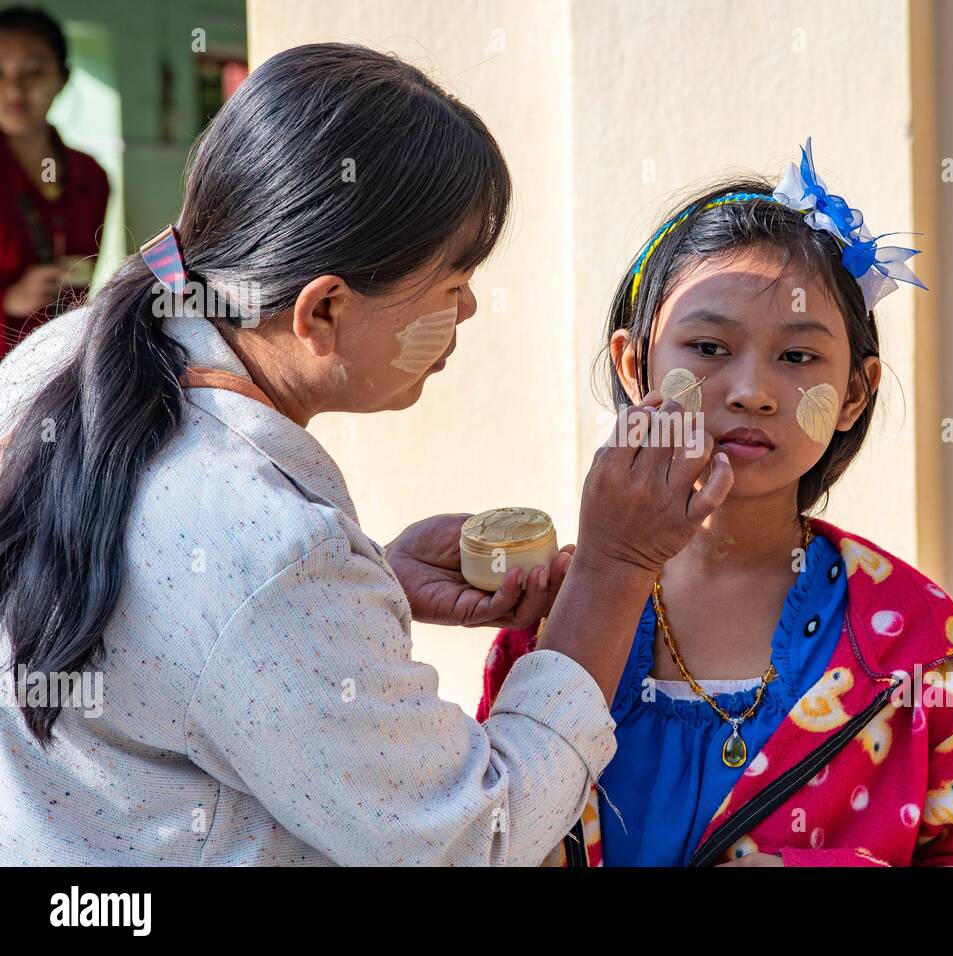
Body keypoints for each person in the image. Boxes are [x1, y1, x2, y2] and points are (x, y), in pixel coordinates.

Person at [0, 42, 733, 865]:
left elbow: (162, 637)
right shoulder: (269, 552)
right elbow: (478, 836)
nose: (473, 308)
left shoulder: (55, 363)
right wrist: (616, 567)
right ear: (323, 312)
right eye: (451, 286)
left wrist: (364, 578)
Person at [480, 140, 953, 867]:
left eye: (797, 357)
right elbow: (484, 839)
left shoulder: (921, 653)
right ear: (635, 367)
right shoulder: (551, 631)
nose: (751, 390)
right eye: (709, 347)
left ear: (853, 393)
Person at [0, 6, 108, 360]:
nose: (14, 89)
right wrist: (9, 300)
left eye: (33, 72)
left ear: (61, 78)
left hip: (64, 359)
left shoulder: (90, 175)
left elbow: (87, 276)